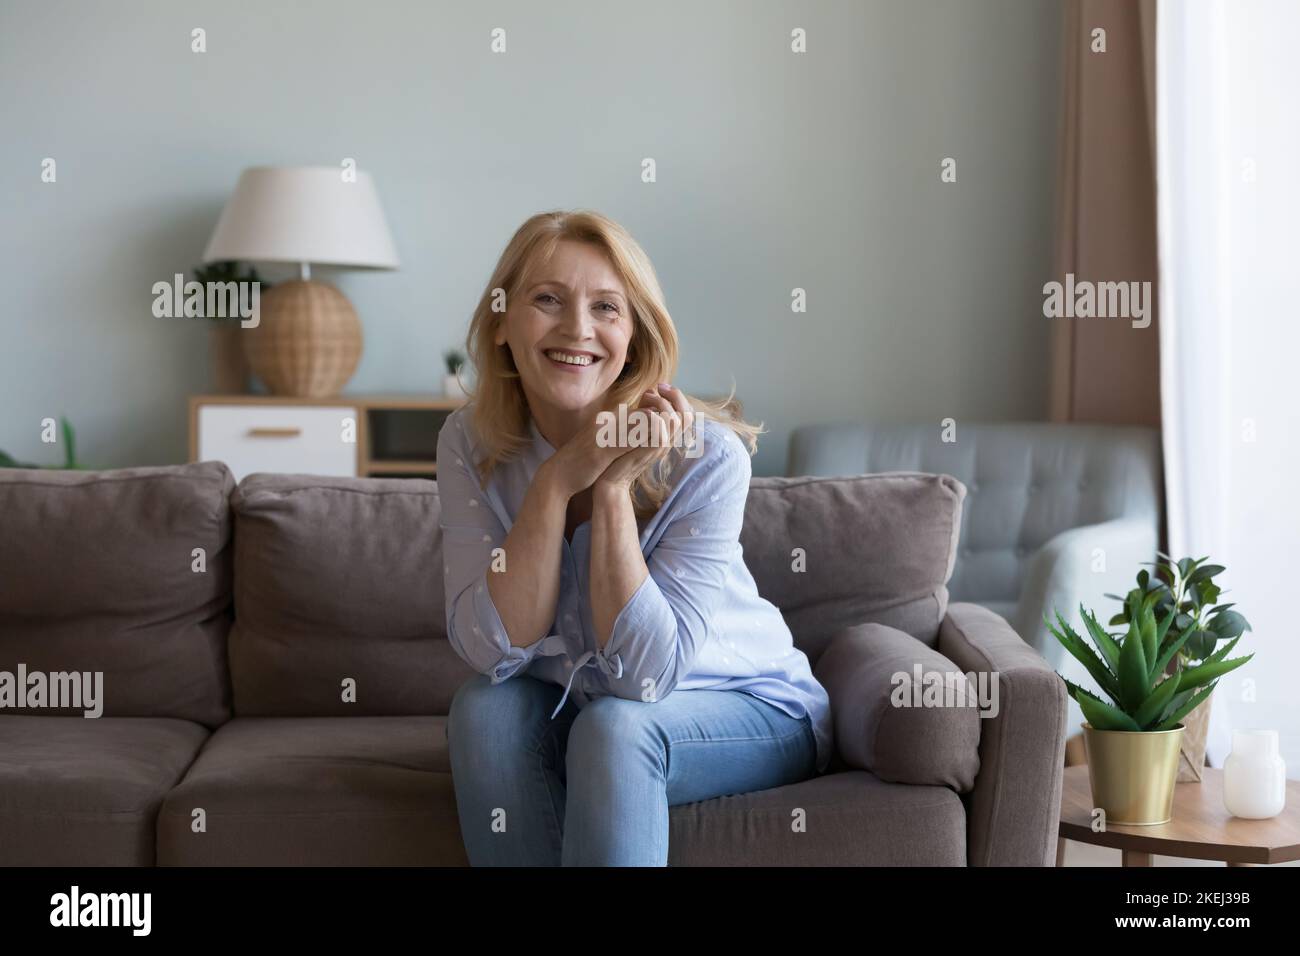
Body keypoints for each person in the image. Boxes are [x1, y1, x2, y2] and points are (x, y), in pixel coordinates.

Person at [440, 209, 832, 866]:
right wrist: (555, 483)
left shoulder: (707, 456)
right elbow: (493, 651)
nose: (577, 329)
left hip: (747, 703)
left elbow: (646, 677)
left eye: (606, 308)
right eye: (547, 299)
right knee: (484, 710)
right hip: (589, 704)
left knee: (616, 730)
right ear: (501, 322)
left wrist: (613, 485)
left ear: (634, 338)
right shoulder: (468, 443)